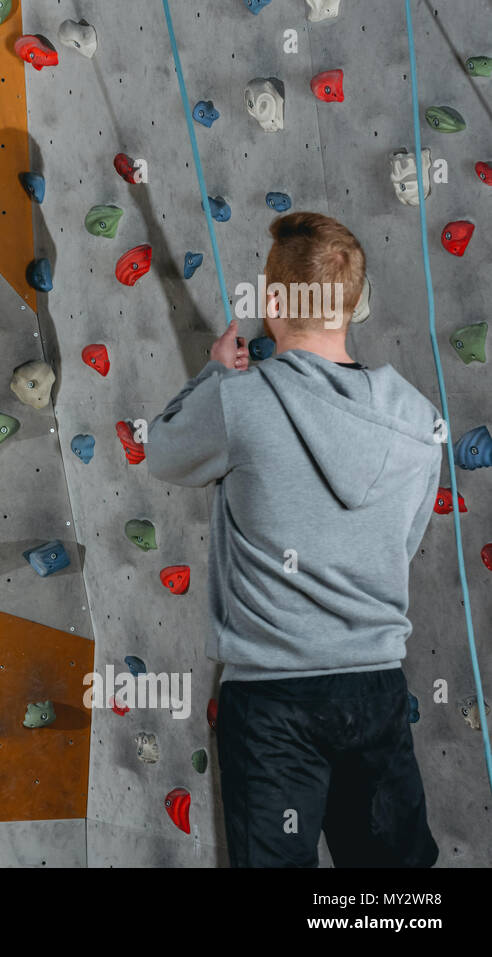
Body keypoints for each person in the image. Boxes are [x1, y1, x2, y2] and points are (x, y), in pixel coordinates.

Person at [147, 212, 442, 868]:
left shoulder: (241, 401)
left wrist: (216, 374)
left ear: (274, 303)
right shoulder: (421, 422)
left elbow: (162, 450)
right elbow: (403, 540)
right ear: (353, 305)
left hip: (273, 701)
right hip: (375, 690)